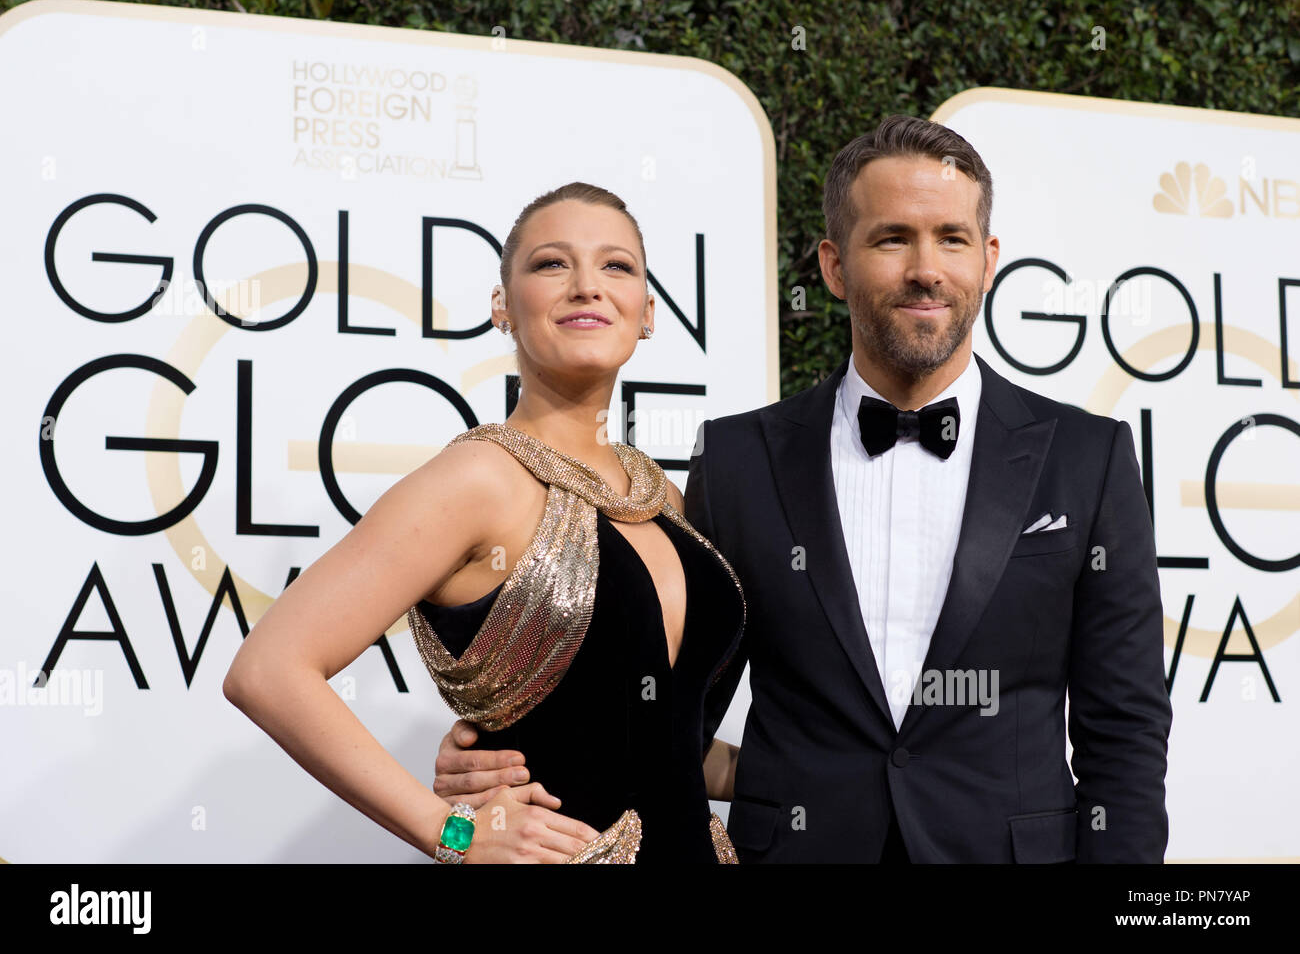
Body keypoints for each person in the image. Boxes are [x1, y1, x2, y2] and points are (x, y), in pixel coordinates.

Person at [433, 117, 1174, 863]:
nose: (926, 268)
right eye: (891, 239)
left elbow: (1126, 732)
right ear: (833, 265)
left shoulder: (1089, 456)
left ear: (988, 261)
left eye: (951, 238)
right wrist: (514, 749)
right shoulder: (739, 459)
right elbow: (668, 713)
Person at [223, 181, 745, 864]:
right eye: (552, 263)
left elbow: (665, 743)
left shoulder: (662, 497)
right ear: (502, 306)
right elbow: (268, 669)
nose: (588, 286)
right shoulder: (478, 480)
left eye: (616, 265)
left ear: (647, 312)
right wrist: (454, 833)